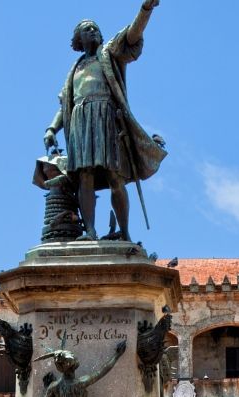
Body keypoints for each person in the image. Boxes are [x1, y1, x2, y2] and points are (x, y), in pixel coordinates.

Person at [43, 0, 166, 242]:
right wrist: (51, 128)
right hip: (79, 120)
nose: (94, 31)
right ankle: (89, 231)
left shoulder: (109, 53)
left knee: (115, 177)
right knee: (84, 176)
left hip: (106, 117)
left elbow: (132, 33)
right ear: (79, 39)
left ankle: (125, 233)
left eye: (96, 28)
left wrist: (145, 9)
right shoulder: (75, 69)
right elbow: (64, 104)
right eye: (88, 29)